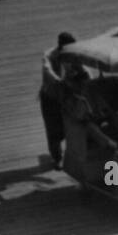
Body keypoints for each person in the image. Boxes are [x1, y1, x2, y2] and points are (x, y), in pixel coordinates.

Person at [38, 32, 77, 168]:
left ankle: (72, 155)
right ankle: (57, 158)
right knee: (53, 129)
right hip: (50, 97)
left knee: (71, 125)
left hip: (65, 96)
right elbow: (47, 70)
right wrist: (59, 80)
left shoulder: (72, 53)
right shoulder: (49, 55)